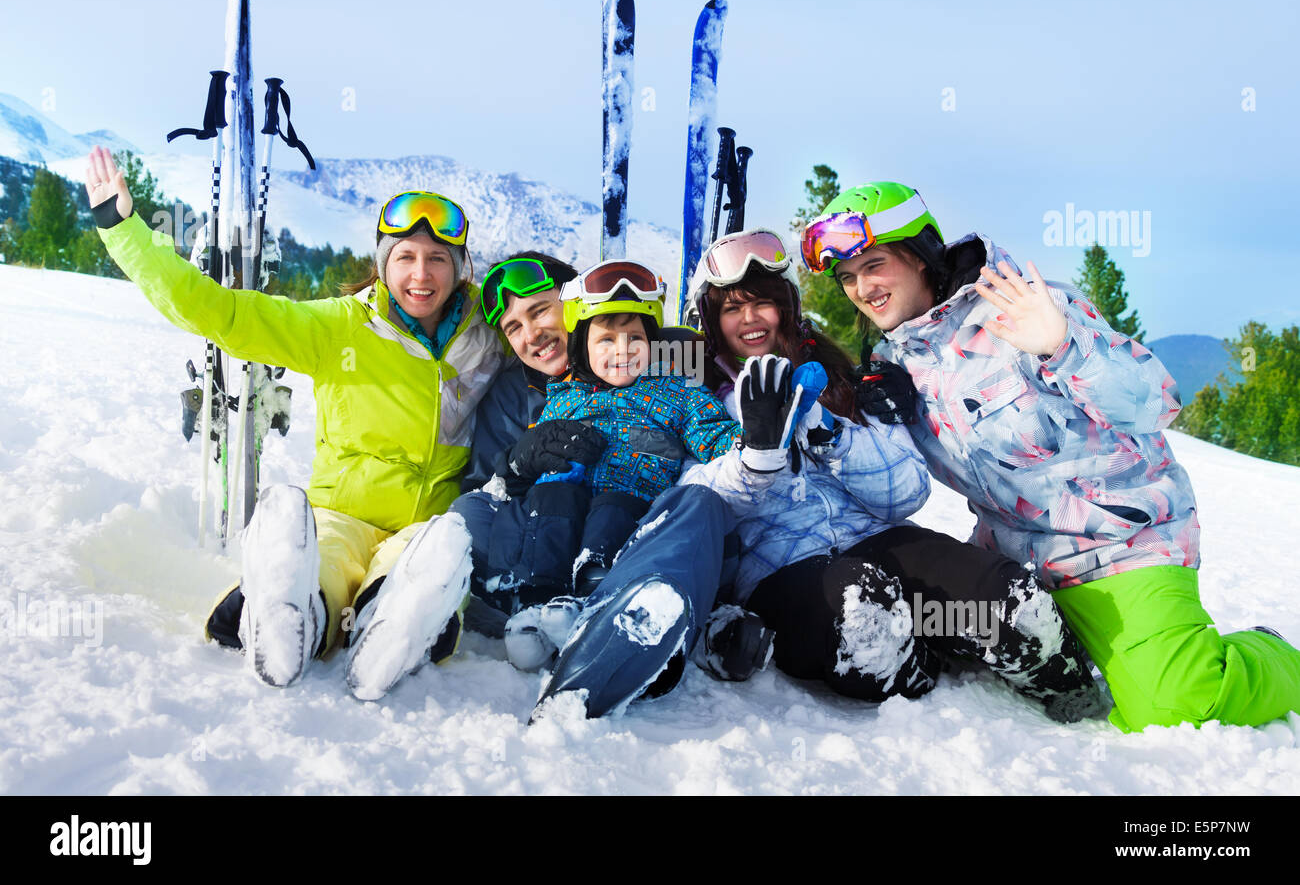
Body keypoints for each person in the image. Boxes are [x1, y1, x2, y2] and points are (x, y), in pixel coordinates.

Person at [806, 180, 1300, 732]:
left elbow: (1156, 400)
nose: (860, 287)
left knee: (1175, 703)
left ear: (920, 256)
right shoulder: (892, 361)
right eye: (847, 277)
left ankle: (1275, 657)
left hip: (1118, 548)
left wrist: (1063, 343)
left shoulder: (1023, 308)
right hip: (1018, 566)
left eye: (874, 265)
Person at [84, 147, 503, 699]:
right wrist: (122, 229)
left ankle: (392, 625)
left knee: (427, 560)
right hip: (341, 513)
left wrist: (643, 339)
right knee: (323, 562)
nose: (420, 275)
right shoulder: (339, 328)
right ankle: (291, 618)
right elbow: (223, 312)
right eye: (405, 257)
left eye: (437, 260)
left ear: (460, 268)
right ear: (383, 264)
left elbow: (569, 327)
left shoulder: (490, 330)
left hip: (423, 526)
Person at [679, 229, 1100, 717]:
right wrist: (757, 455)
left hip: (878, 539)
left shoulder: (841, 381)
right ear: (711, 321)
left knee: (1001, 597)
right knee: (859, 609)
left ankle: (1072, 693)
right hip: (781, 567)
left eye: (762, 304)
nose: (750, 319)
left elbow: (906, 492)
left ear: (787, 309)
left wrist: (827, 432)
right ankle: (912, 664)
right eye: (732, 309)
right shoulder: (692, 397)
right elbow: (694, 503)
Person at [452, 254, 741, 718]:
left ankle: (642, 622)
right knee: (469, 512)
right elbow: (489, 488)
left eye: (541, 312)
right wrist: (517, 462)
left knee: (696, 505)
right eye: (513, 328)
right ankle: (528, 607)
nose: (532, 336)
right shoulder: (514, 392)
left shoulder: (673, 362)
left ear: (576, 306)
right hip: (547, 533)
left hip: (635, 516)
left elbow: (709, 426)